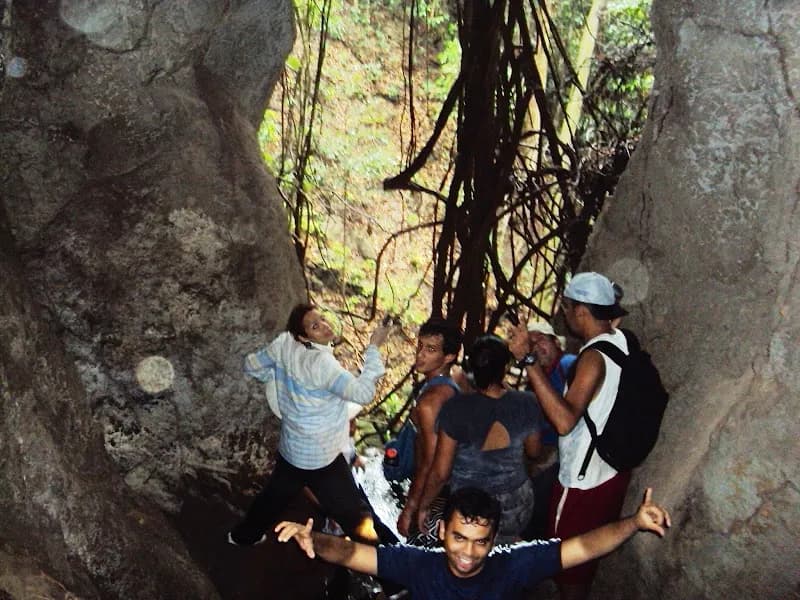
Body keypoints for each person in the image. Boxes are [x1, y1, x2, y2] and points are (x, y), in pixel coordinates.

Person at [275, 485, 671, 600]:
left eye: (480, 542)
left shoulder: (514, 564)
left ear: (493, 539)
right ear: (442, 532)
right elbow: (352, 552)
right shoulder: (418, 564)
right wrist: (316, 540)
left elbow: (582, 547)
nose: (468, 552)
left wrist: (633, 523)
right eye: (459, 537)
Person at [228, 303, 396, 547]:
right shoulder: (322, 364)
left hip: (292, 449)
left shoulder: (284, 344)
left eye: (323, 320)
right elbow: (363, 393)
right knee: (354, 516)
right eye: (315, 326)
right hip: (321, 458)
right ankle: (384, 563)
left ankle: (242, 536)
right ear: (303, 337)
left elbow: (251, 365)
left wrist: (275, 379)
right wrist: (374, 347)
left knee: (273, 498)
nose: (325, 327)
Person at [510, 271, 631, 600]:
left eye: (567, 307)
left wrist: (528, 360)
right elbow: (612, 319)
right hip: (608, 472)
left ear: (581, 311)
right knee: (582, 564)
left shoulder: (591, 358)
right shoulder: (619, 341)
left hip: (582, 482)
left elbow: (564, 422)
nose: (565, 314)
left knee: (570, 570)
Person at [416, 335, 544, 544]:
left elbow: (440, 473)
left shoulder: (455, 409)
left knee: (473, 548)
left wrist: (424, 506)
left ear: (471, 368)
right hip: (516, 505)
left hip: (470, 509)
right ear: (505, 367)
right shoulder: (527, 402)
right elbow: (534, 452)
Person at [396, 317, 463, 546]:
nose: (420, 354)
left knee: (421, 556)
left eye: (431, 349)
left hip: (436, 494)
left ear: (449, 357)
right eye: (420, 346)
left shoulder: (431, 401)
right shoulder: (449, 386)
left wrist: (412, 508)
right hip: (443, 489)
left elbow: (431, 461)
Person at [522, 321, 577, 540]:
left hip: (563, 454)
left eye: (541, 340)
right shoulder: (536, 379)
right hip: (541, 451)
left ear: (556, 342)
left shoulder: (568, 365)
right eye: (531, 344)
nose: (536, 347)